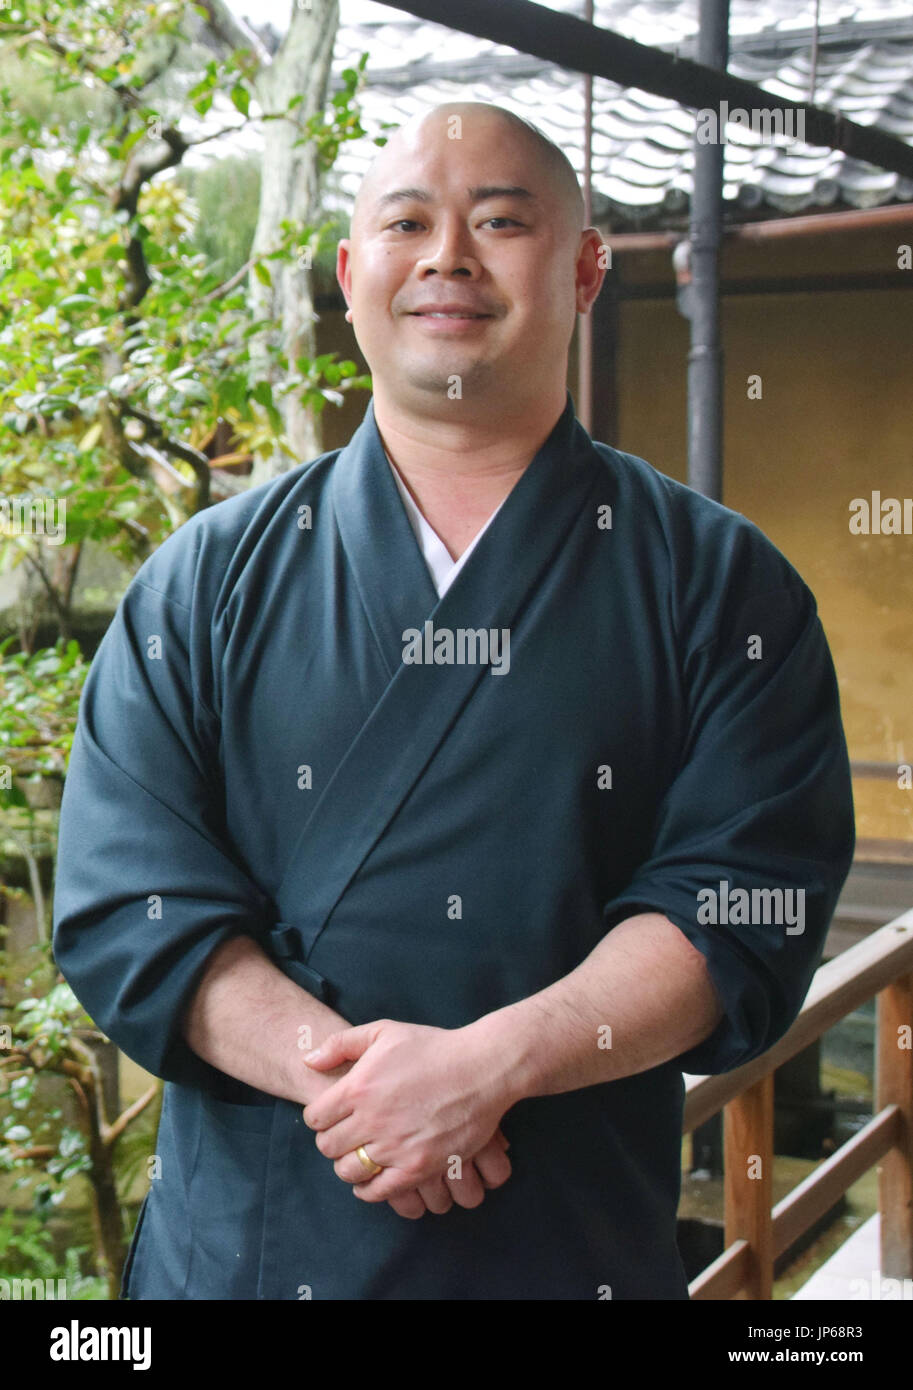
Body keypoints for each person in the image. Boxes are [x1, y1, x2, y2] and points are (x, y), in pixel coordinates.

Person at [52, 101, 855, 1300]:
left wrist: (489, 1067)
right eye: (407, 222)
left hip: (562, 1247)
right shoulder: (207, 579)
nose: (447, 257)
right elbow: (131, 902)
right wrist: (373, 1097)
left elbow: (736, 903)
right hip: (255, 1257)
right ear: (349, 270)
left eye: (499, 221)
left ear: (586, 267)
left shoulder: (718, 584)